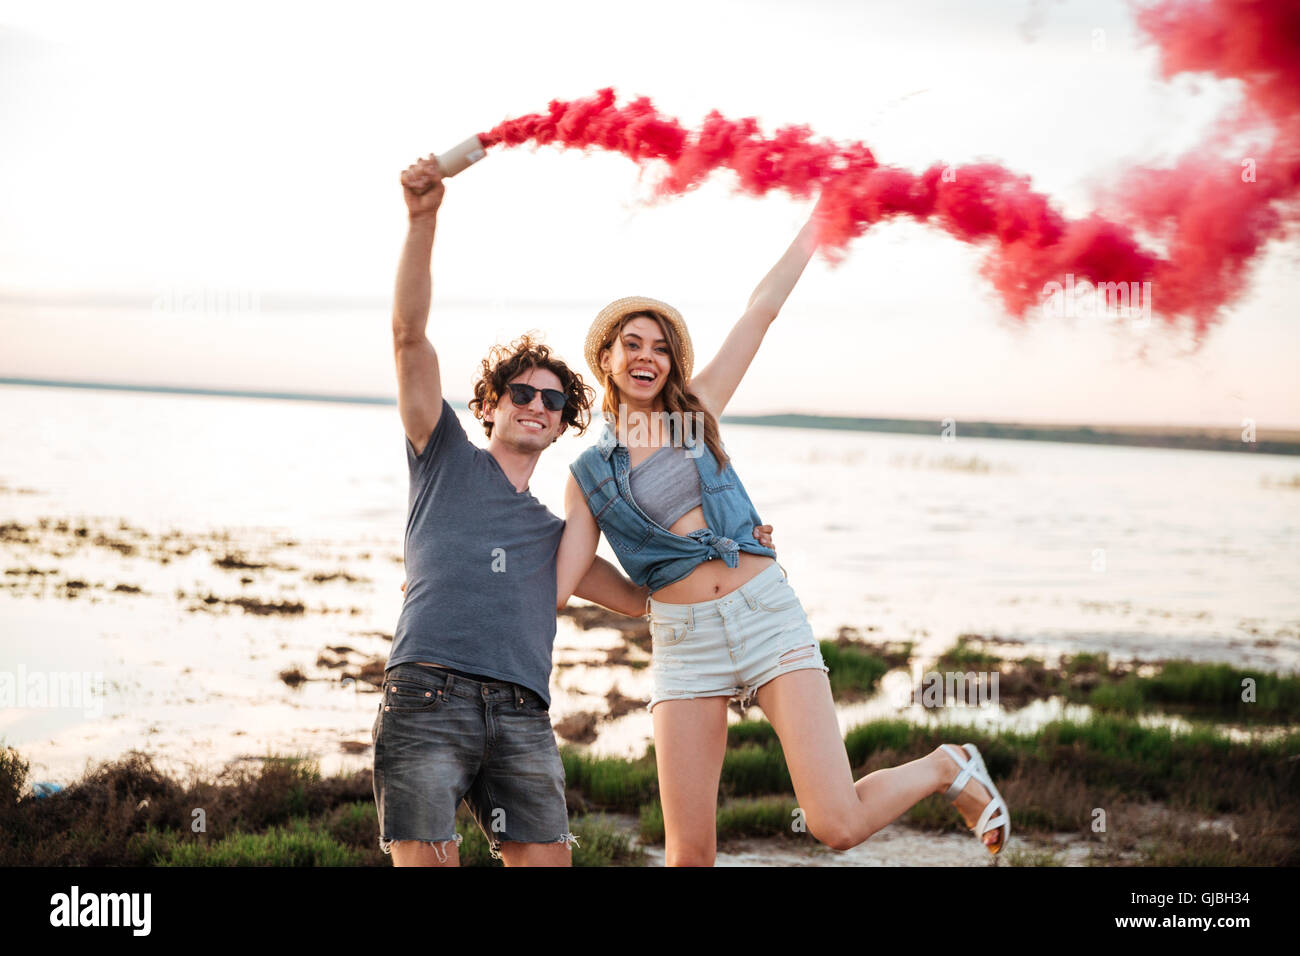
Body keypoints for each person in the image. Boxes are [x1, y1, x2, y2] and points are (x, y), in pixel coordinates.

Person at [562, 204, 1011, 866]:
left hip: (765, 615)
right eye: (633, 343)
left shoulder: (699, 414)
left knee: (836, 824)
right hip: (684, 647)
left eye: (661, 347)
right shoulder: (587, 474)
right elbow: (567, 575)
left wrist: (821, 225)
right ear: (607, 354)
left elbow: (760, 311)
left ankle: (947, 766)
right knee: (689, 857)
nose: (647, 357)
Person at [377, 154, 774, 868]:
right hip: (427, 695)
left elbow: (642, 599)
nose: (536, 405)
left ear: (563, 426)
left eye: (553, 401)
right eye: (521, 394)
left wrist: (733, 548)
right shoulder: (442, 457)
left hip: (523, 713)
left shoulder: (556, 538)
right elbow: (409, 338)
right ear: (490, 405)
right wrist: (422, 219)